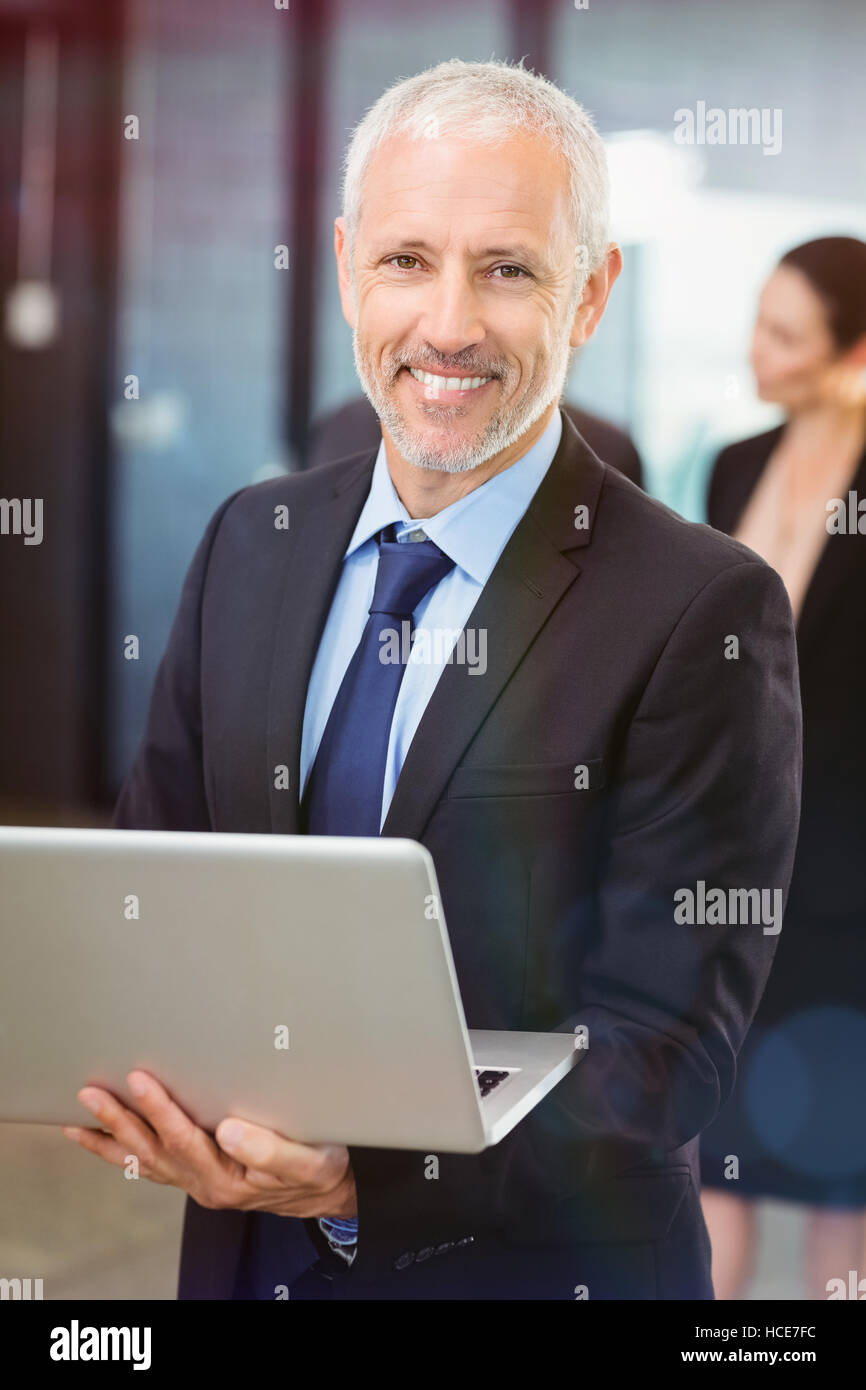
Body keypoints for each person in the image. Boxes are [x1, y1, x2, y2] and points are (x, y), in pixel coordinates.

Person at [63, 58, 801, 1301]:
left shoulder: (697, 609)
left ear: (589, 294)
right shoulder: (252, 541)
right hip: (246, 1267)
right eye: (406, 260)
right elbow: (156, 893)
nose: (447, 323)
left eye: (505, 268)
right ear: (348, 264)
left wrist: (365, 1179)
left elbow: (666, 1050)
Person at [700, 236, 866, 1300]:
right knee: (712, 1157)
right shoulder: (733, 462)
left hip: (846, 885)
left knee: (835, 1183)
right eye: (757, 321)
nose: (755, 351)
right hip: (730, 870)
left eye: (785, 335)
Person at [307, 393, 645, 487]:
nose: (448, 333)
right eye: (406, 262)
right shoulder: (343, 425)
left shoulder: (608, 447)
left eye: (510, 272)